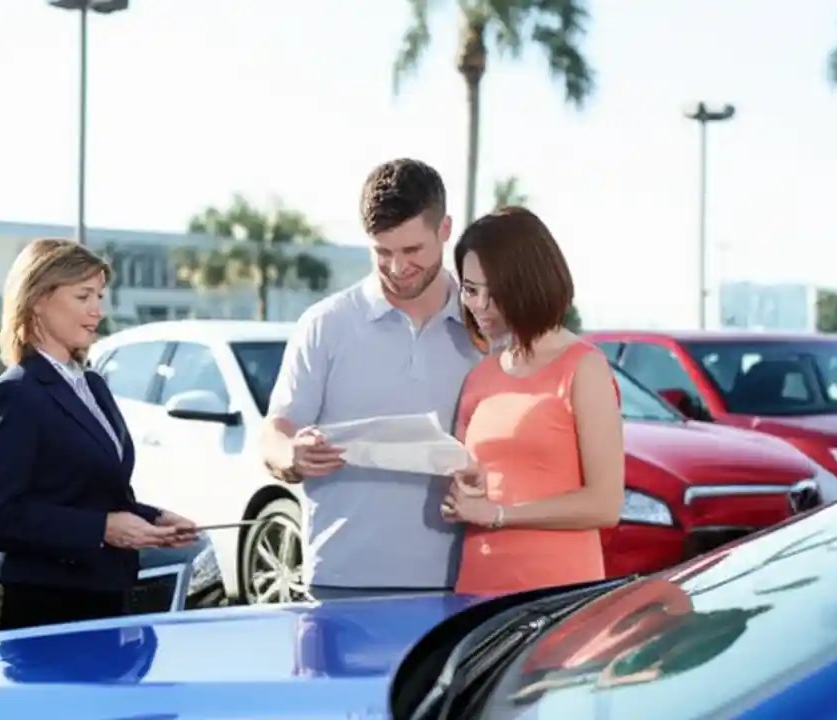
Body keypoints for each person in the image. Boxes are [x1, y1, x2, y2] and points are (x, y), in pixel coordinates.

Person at [261, 158, 483, 601]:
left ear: (445, 230)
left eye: (412, 250)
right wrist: (291, 455)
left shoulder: (484, 326)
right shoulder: (325, 324)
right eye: (382, 252)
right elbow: (275, 431)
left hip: (463, 583)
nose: (398, 267)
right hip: (341, 580)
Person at [0, 238, 198, 631]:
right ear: (38, 299)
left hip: (105, 600)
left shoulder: (92, 386)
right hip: (40, 612)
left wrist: (154, 519)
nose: (98, 310)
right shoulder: (14, 394)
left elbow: (90, 492)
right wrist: (104, 530)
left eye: (100, 296)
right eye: (83, 296)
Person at [440, 206, 624, 595]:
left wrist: (498, 515)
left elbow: (605, 504)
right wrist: (464, 494)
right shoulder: (479, 376)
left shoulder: (584, 368)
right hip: (478, 589)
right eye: (471, 290)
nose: (480, 306)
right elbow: (469, 486)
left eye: (496, 292)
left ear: (529, 283)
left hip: (557, 596)